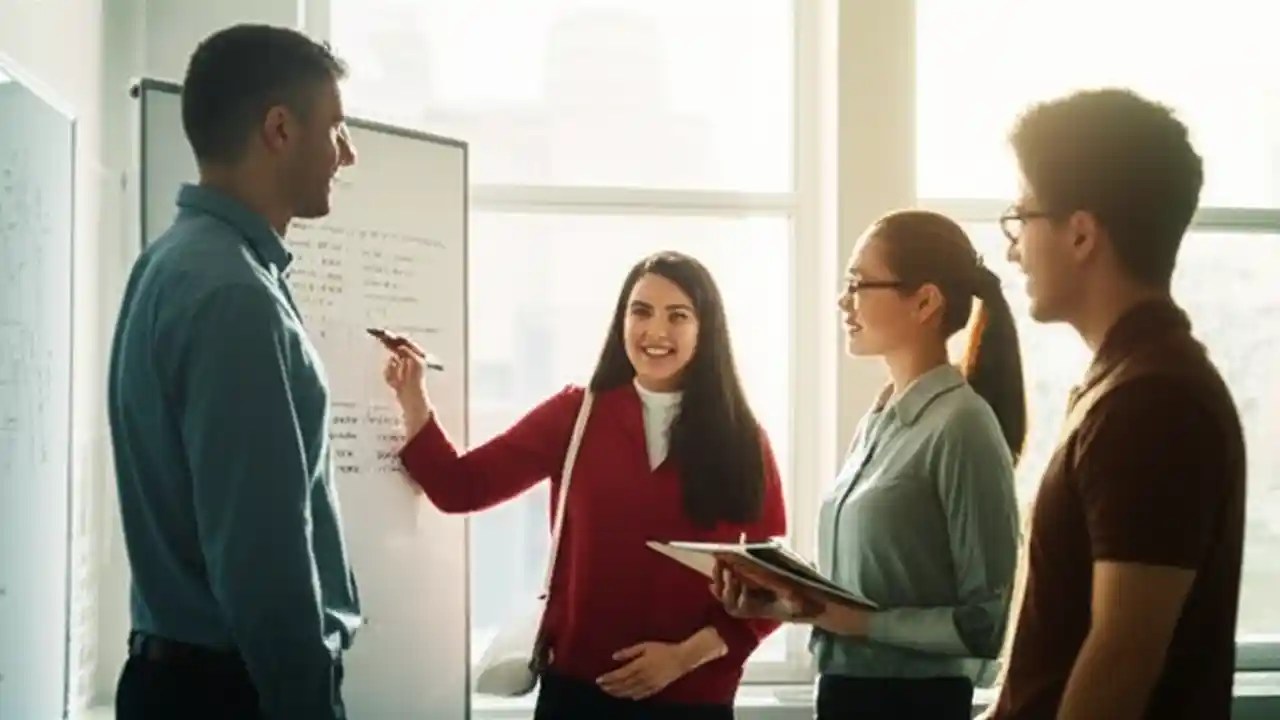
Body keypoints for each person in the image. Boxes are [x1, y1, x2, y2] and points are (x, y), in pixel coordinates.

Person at [382, 251, 787, 719]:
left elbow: (774, 586)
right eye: (641, 311)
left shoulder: (742, 439)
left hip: (694, 699)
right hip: (577, 696)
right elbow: (461, 488)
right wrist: (413, 399)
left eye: (678, 315)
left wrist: (684, 657)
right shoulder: (576, 415)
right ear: (621, 321)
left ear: (706, 329)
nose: (655, 331)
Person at [107, 24, 359, 720]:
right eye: (336, 128)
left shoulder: (173, 263)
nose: (348, 154)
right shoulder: (235, 297)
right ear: (280, 128)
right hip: (233, 692)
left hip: (188, 680)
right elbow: (262, 564)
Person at [986, 89, 1246, 719]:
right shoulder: (1127, 382)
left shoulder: (1154, 404)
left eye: (1021, 217)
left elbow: (1122, 659)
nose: (1011, 248)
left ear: (1080, 234)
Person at [715, 209, 1024, 720]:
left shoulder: (963, 425)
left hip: (912, 706)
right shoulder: (879, 419)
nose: (843, 301)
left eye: (858, 284)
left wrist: (853, 621)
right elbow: (863, 590)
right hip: (845, 695)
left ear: (925, 301)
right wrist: (784, 601)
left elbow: (985, 624)